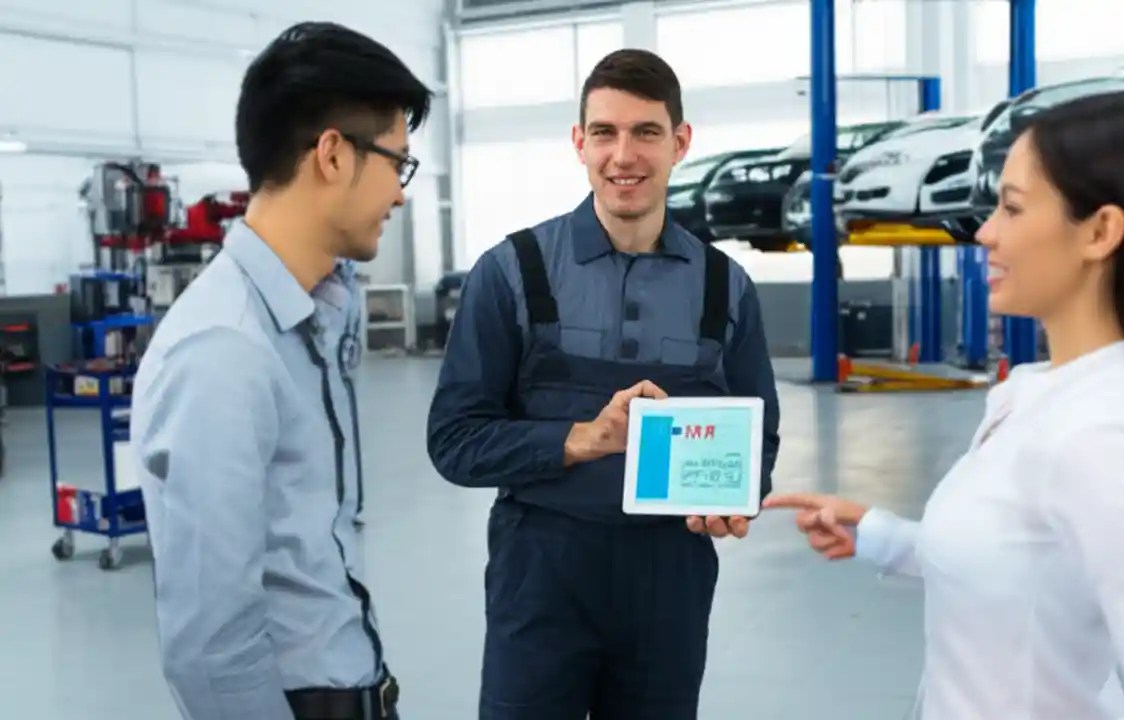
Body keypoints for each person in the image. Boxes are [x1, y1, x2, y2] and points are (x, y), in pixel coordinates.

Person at [765, 88, 1124, 719]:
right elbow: (1028, 565)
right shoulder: (1042, 388)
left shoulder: (1108, 434)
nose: (985, 232)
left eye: (1012, 209)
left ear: (1100, 231)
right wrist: (883, 535)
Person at [427, 48, 781, 719]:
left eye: (646, 132)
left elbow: (758, 436)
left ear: (680, 142)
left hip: (670, 578)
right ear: (578, 144)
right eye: (605, 133)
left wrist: (738, 497)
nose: (625, 154)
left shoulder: (724, 286)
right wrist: (584, 439)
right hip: (541, 570)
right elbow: (454, 441)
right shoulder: (511, 271)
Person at [131, 22, 431, 720]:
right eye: (398, 163)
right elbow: (210, 648)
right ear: (332, 153)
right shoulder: (224, 352)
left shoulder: (315, 308)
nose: (400, 192)